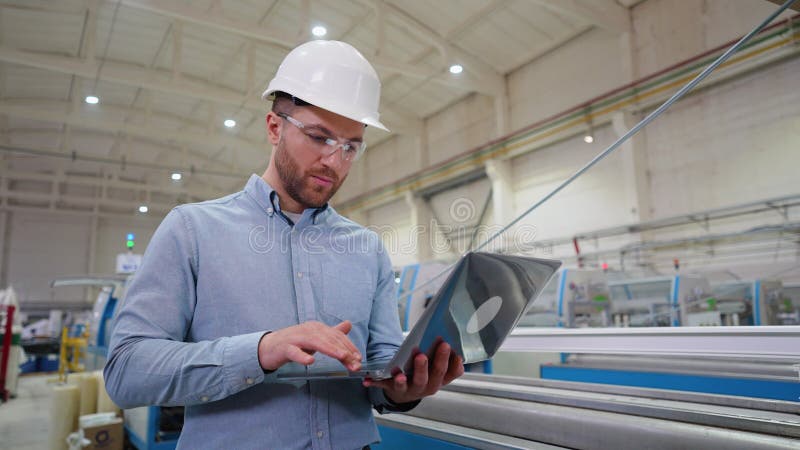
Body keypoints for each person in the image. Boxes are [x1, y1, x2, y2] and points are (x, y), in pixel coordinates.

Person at [103, 40, 464, 450]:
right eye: (319, 137)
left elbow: (380, 375)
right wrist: (260, 350)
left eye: (351, 146)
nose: (335, 161)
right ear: (275, 127)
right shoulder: (192, 231)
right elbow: (126, 373)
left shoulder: (366, 248)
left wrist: (407, 387)